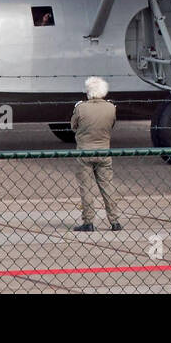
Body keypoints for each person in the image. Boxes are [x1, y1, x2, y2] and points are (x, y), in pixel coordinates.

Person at [70, 76, 123, 232]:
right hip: (104, 151)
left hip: (84, 152)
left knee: (86, 188)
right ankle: (115, 221)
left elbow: (73, 126)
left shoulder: (80, 108)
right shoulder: (111, 108)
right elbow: (111, 125)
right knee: (107, 186)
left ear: (88, 92)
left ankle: (88, 222)